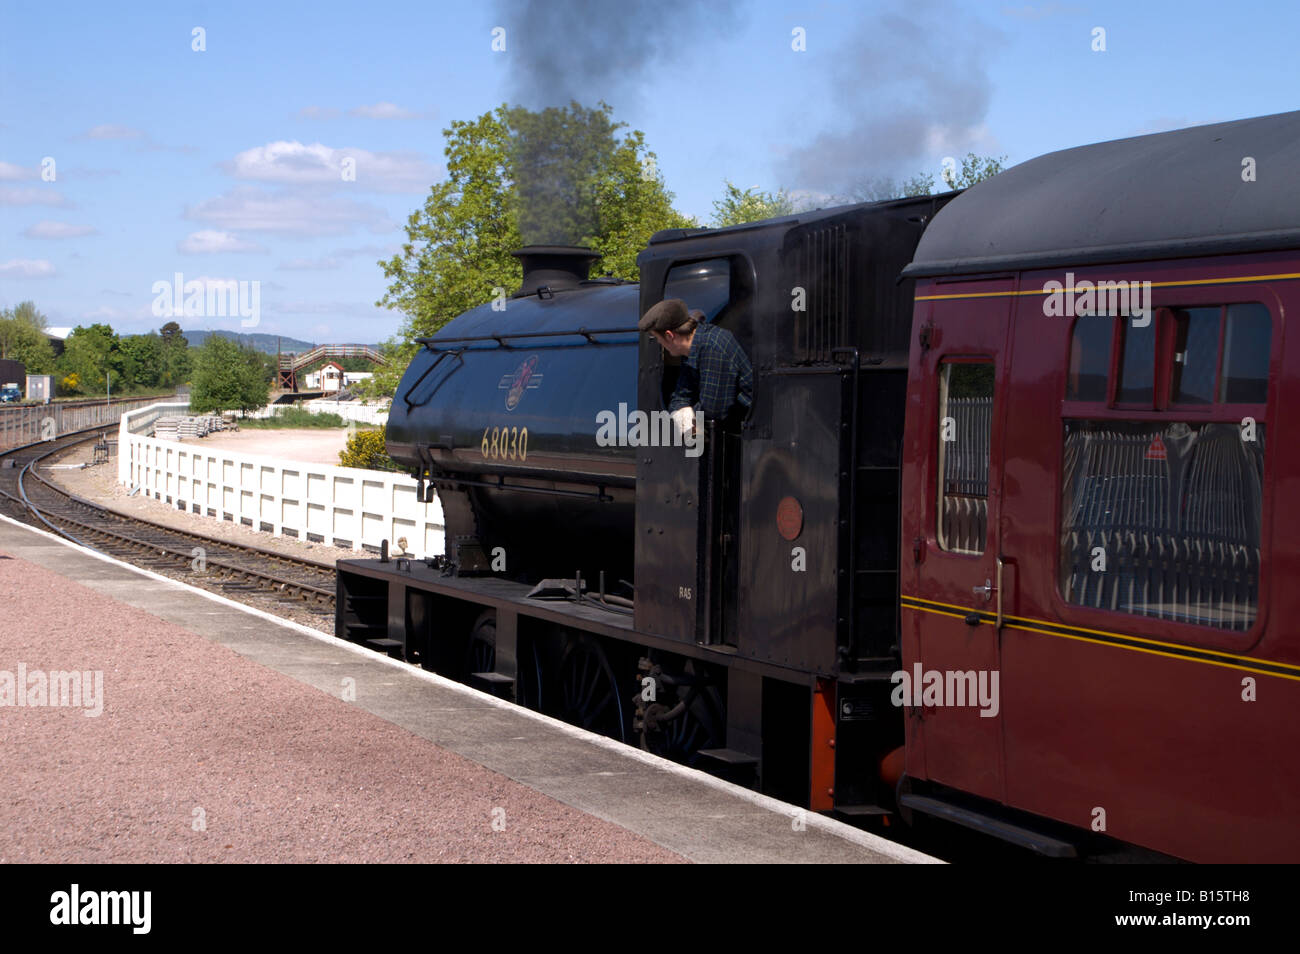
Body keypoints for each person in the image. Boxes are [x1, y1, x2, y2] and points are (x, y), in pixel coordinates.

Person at [638, 298, 753, 437]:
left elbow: (713, 410)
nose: (659, 343)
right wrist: (681, 413)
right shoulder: (691, 350)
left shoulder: (712, 347)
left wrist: (688, 415)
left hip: (745, 434)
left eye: (658, 338)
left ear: (669, 335)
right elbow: (680, 394)